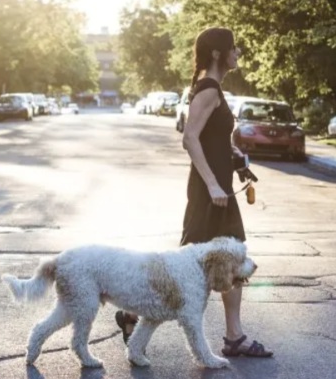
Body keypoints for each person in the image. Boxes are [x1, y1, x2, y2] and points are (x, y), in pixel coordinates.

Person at [116, 27, 272, 358]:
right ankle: (135, 312)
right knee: (200, 258)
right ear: (217, 53)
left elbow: (210, 138)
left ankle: (232, 335)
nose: (237, 53)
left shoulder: (211, 89)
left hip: (217, 188)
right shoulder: (209, 89)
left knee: (217, 256)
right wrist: (213, 183)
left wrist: (235, 157)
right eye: (233, 47)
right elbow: (190, 138)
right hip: (210, 192)